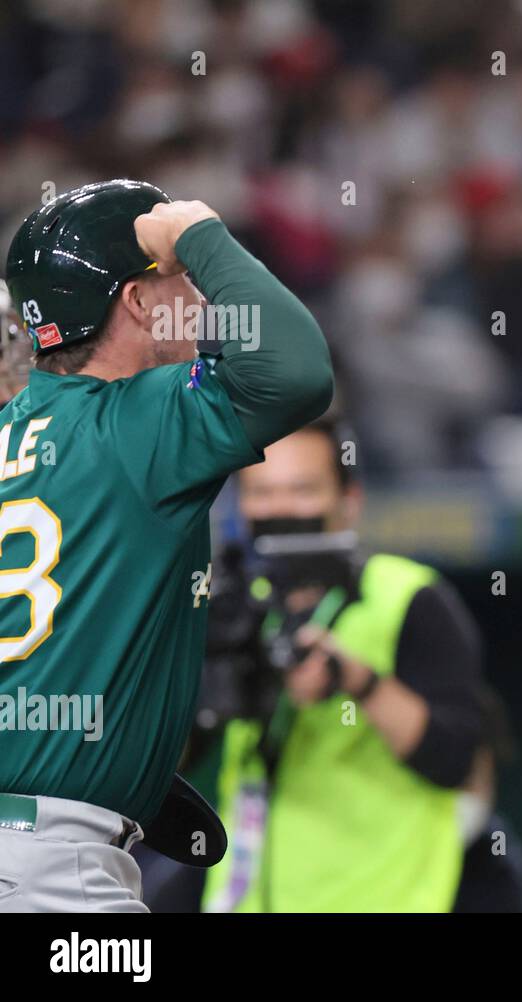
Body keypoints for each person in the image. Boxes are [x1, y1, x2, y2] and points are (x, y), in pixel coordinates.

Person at [0, 180, 333, 912]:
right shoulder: (135, 421)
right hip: (54, 870)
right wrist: (203, 235)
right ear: (138, 301)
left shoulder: (12, 432)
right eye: (176, 280)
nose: (199, 296)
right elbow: (299, 372)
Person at [200, 418, 487, 912]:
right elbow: (177, 758)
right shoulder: (238, 604)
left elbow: (456, 757)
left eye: (302, 490)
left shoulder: (406, 596)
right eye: (261, 492)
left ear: (348, 499)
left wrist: (356, 679)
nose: (281, 509)